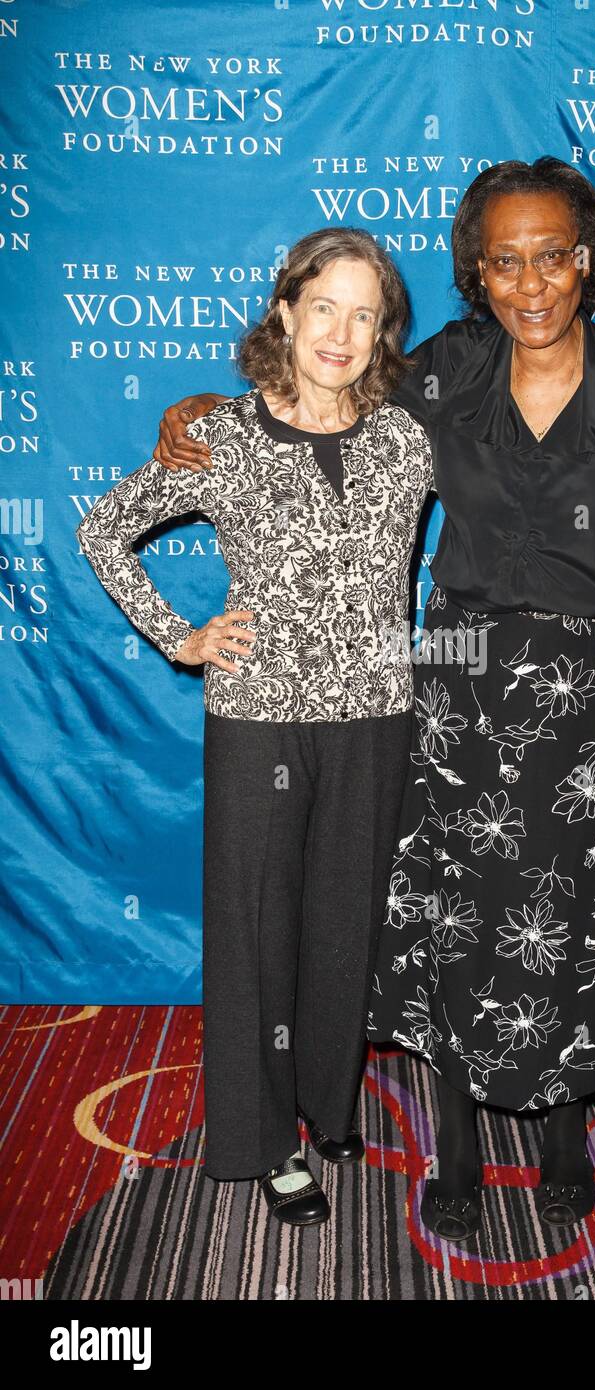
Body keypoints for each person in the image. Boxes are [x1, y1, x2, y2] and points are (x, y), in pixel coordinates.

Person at [153, 163, 595, 1245]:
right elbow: (327, 391)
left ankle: (565, 1128)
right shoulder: (442, 373)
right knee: (449, 918)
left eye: (551, 255)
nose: (529, 281)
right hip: (458, 684)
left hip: (590, 703)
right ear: (475, 275)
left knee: (572, 918)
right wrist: (204, 409)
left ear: (587, 262)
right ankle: (460, 1141)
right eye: (502, 259)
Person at [76, 227, 437, 1228]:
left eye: (365, 314)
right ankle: (259, 1137)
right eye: (324, 306)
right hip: (258, 720)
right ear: (285, 312)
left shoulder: (408, 437)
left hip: (373, 716)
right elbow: (104, 528)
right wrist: (178, 637)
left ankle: (324, 1107)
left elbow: (520, 443)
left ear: (383, 333)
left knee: (341, 930)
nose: (341, 331)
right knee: (255, 935)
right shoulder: (222, 435)